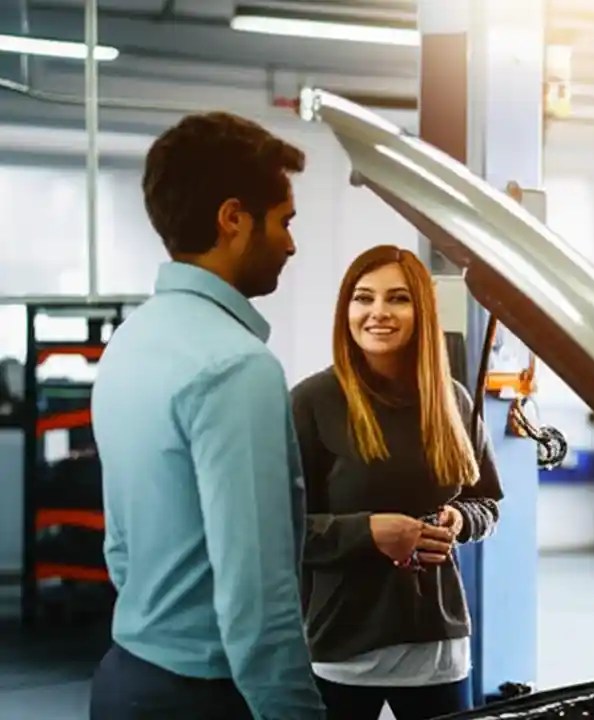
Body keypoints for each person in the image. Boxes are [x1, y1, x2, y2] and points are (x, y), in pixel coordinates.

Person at [89, 112, 325, 718]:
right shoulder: (236, 366)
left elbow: (120, 546)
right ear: (233, 219)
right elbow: (258, 598)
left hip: (126, 675)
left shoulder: (130, 342)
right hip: (206, 697)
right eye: (284, 221)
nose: (291, 244)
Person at [291, 245, 504, 719]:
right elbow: (279, 528)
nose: (378, 313)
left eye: (398, 299)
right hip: (342, 647)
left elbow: (486, 500)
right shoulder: (311, 402)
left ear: (421, 312)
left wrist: (458, 520)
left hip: (437, 646)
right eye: (363, 298)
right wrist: (368, 533)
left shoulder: (452, 400)